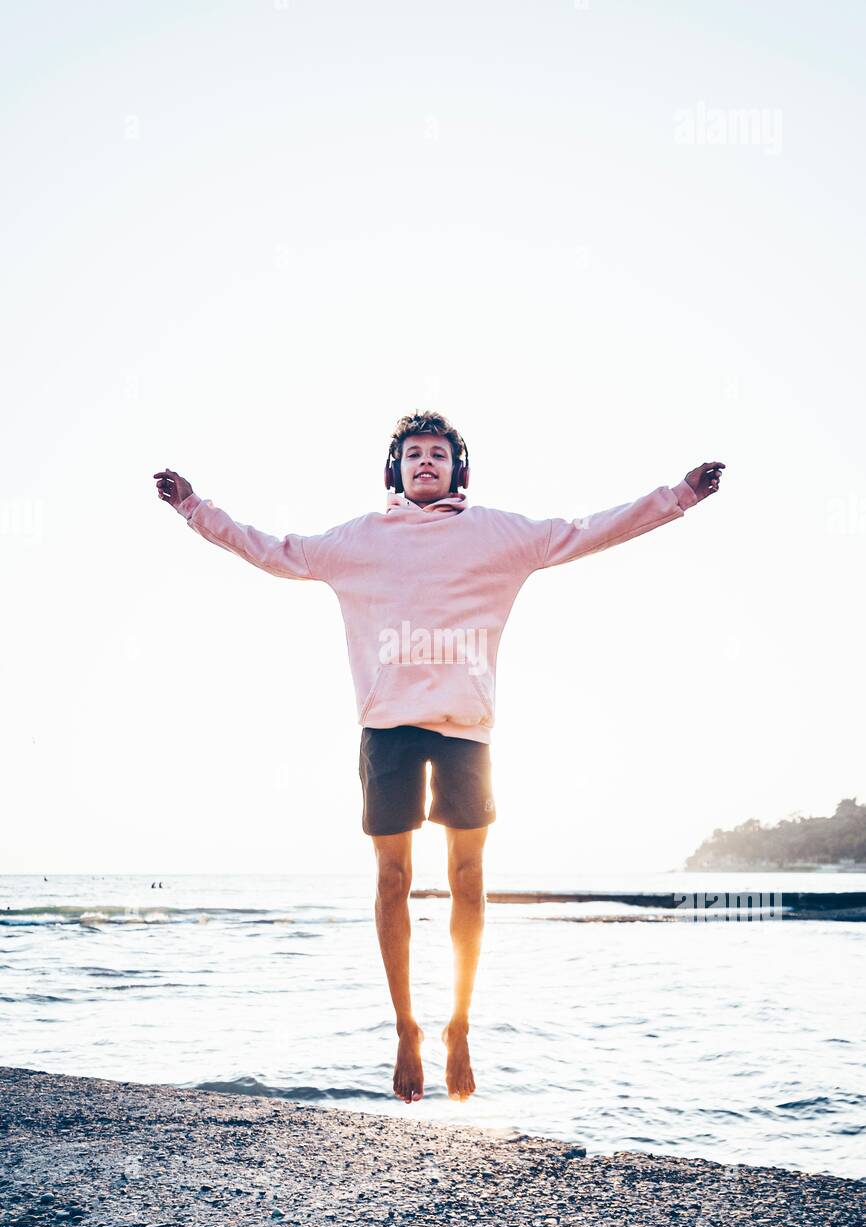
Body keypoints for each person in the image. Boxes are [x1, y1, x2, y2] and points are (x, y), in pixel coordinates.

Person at [155, 411, 724, 1106]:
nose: (427, 463)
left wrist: (680, 497)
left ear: (460, 469)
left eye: (439, 455)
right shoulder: (356, 541)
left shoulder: (499, 536)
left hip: (467, 730)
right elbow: (268, 549)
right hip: (388, 729)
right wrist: (192, 507)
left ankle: (459, 1024)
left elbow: (588, 531)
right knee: (393, 880)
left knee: (468, 876)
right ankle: (405, 1028)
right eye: (414, 455)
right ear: (394, 469)